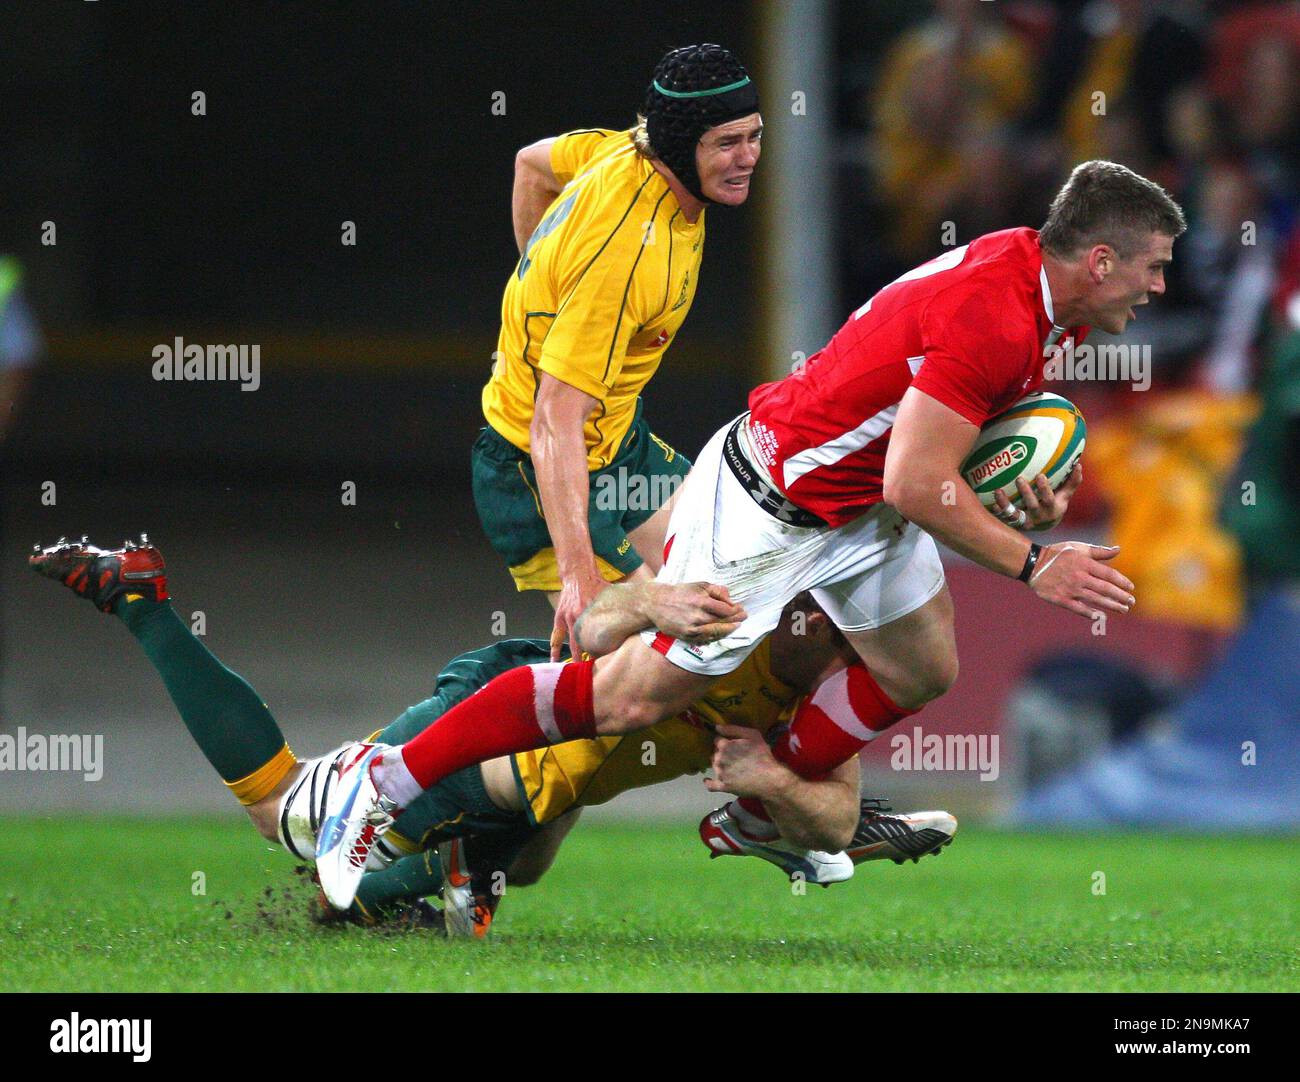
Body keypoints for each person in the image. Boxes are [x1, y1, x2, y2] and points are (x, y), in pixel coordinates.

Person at [314, 160, 1182, 912]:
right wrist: (1034, 564)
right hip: (771, 502)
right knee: (627, 700)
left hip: (855, 511)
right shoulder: (995, 315)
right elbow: (916, 483)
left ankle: (761, 811)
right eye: (1152, 267)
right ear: (1099, 260)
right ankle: (383, 783)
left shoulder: (1039, 294)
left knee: (923, 666)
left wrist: (1025, 509)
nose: (1160, 288)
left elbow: (935, 459)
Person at [29, 537, 955, 937]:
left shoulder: (823, 698)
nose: (843, 642)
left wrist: (782, 789)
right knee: (286, 814)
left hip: (546, 778)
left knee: (526, 858)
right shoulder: (727, 593)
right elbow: (596, 624)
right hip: (507, 721)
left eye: (853, 632)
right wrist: (640, 597)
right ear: (802, 602)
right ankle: (142, 601)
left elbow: (832, 805)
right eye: (833, 624)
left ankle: (410, 886)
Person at [474, 43, 762, 658]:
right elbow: (554, 419)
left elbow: (531, 165)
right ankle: (438, 731)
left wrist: (543, 284)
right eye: (727, 143)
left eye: (754, 136)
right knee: (655, 672)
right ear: (683, 146)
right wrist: (582, 580)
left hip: (618, 446)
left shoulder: (624, 147)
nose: (748, 159)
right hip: (534, 466)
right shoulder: (630, 253)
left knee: (736, 591)